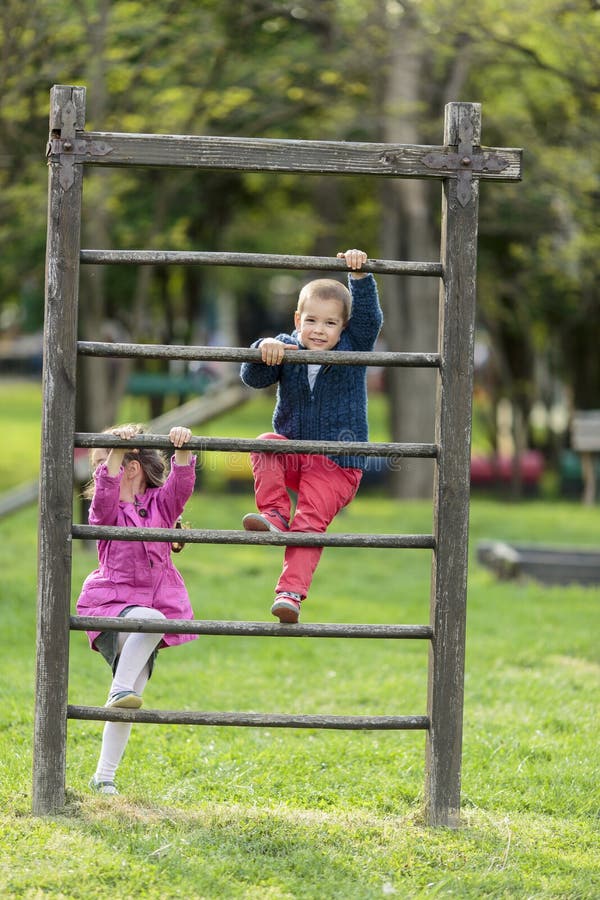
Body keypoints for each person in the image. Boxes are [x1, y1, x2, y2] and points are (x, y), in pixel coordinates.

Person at [240, 248, 383, 623]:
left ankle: (290, 593)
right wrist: (263, 350)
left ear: (344, 327)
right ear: (297, 319)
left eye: (331, 323)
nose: (319, 330)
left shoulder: (354, 347)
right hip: (296, 457)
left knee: (309, 521)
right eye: (312, 321)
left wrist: (360, 275)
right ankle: (272, 512)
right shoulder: (289, 348)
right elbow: (252, 378)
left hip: (336, 464)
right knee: (264, 443)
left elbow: (370, 318)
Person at [76, 423, 196, 795]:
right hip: (111, 604)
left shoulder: (161, 505)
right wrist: (114, 448)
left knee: (128, 697)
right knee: (151, 625)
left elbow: (181, 486)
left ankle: (104, 776)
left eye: (105, 464)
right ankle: (119, 690)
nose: (100, 475)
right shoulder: (106, 512)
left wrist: (182, 447)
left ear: (133, 467)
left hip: (152, 608)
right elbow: (103, 497)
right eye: (100, 466)